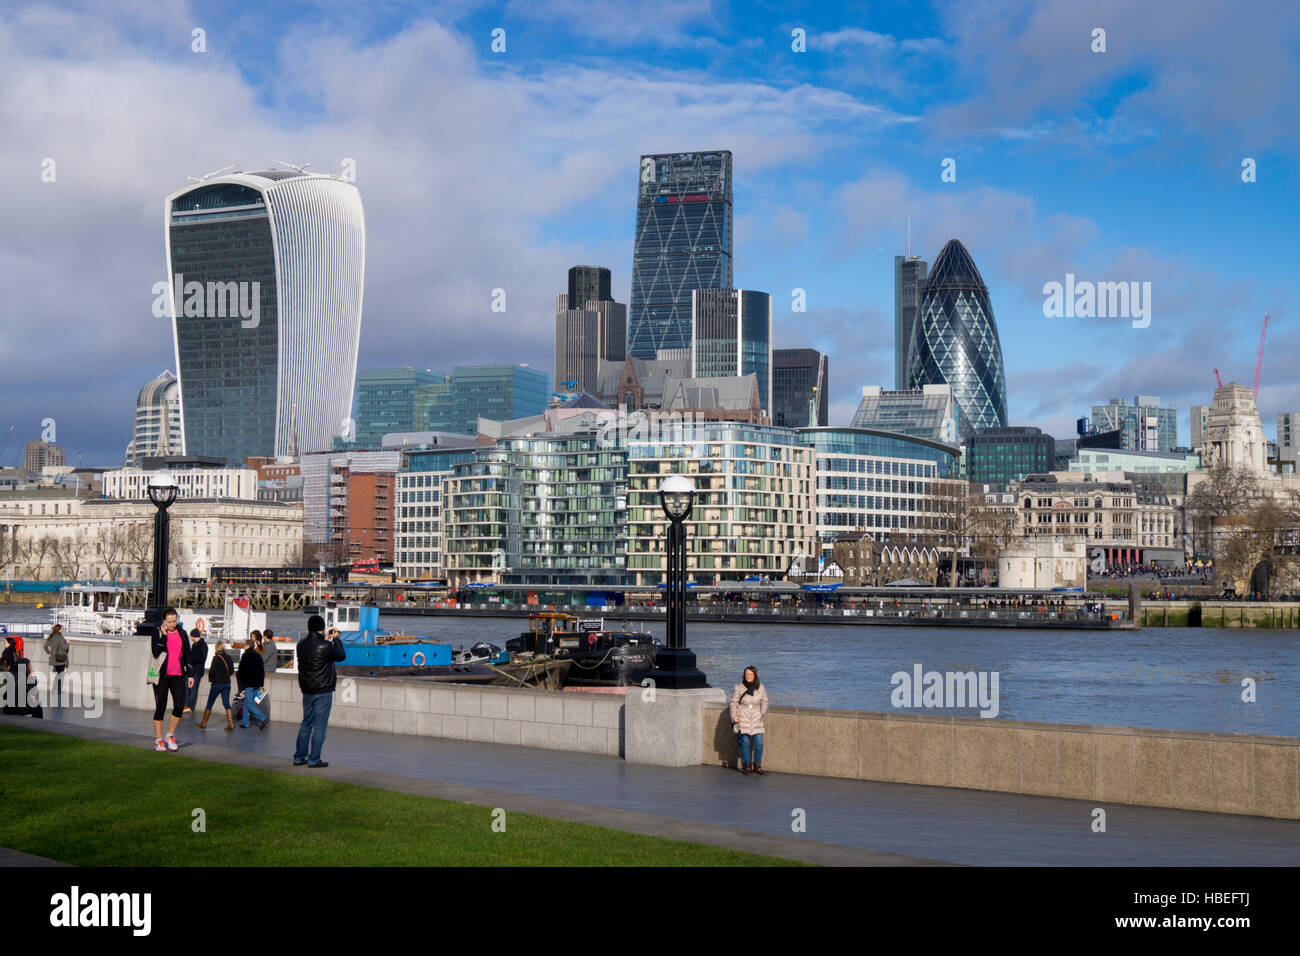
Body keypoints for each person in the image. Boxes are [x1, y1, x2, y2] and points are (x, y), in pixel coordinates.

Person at [293, 616, 346, 768]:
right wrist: (335, 639)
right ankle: (314, 759)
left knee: (306, 723)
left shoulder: (300, 645)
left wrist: (325, 638)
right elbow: (341, 656)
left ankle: (299, 757)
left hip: (307, 689)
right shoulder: (325, 646)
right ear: (322, 628)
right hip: (323, 689)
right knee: (320, 725)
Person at [150, 608, 193, 752]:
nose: (172, 624)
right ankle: (158, 740)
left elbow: (187, 654)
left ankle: (169, 735)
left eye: (174, 621)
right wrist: (163, 636)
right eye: (169, 622)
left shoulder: (182, 633)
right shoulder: (157, 632)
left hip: (178, 675)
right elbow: (155, 652)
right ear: (164, 621)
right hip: (162, 676)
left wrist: (191, 674)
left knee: (180, 706)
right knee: (160, 707)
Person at [730, 665, 769, 776]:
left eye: (751, 674)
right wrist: (734, 717)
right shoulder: (739, 687)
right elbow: (733, 703)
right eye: (747, 674)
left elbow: (765, 701)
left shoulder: (761, 687)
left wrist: (762, 713)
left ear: (755, 675)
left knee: (759, 743)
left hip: (757, 719)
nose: (748, 676)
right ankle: (747, 767)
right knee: (745, 744)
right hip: (743, 718)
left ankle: (757, 766)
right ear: (744, 675)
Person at [197, 640, 236, 730]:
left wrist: (211, 679)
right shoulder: (229, 657)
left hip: (217, 684)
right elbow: (232, 670)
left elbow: (211, 671)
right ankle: (230, 723)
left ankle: (203, 723)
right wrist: (226, 676)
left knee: (210, 703)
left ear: (217, 648)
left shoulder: (216, 658)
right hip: (227, 683)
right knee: (226, 703)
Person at [236, 633, 268, 729]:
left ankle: (262, 717)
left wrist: (241, 683)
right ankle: (245, 723)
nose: (243, 647)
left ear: (248, 646)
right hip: (257, 683)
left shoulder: (245, 656)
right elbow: (262, 670)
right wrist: (261, 683)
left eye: (244, 645)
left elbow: (241, 671)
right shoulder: (258, 656)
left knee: (249, 704)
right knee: (247, 703)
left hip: (249, 683)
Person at [184, 626, 209, 715]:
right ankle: (186, 705)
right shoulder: (195, 645)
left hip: (197, 671)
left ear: (194, 636)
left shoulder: (202, 645)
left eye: (191, 636)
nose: (190, 638)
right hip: (191, 670)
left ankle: (189, 706)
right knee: (187, 688)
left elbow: (202, 658)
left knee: (193, 689)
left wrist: (191, 660)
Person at [43, 625, 70, 702]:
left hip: (54, 659)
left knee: (58, 674)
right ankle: (58, 691)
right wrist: (67, 643)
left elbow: (45, 646)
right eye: (61, 628)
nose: (62, 629)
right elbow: (64, 648)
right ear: (59, 630)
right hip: (60, 658)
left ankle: (53, 689)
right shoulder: (61, 638)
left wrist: (49, 653)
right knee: (61, 675)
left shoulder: (51, 637)